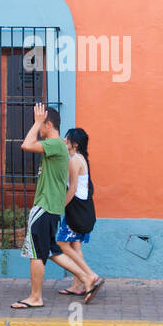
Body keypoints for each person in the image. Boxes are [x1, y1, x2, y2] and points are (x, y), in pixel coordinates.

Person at [11, 104, 94, 310]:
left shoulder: (56, 144)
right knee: (51, 251)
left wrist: (37, 121)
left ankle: (35, 297)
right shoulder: (56, 146)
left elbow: (26, 144)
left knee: (36, 253)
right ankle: (87, 277)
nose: (38, 129)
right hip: (51, 208)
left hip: (44, 206)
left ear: (48, 124)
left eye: (40, 124)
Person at [55, 127, 103, 303]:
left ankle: (89, 275)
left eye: (67, 140)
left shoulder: (74, 160)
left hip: (75, 210)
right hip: (83, 210)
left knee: (61, 243)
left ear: (75, 144)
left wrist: (60, 207)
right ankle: (77, 286)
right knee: (75, 245)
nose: (64, 141)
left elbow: (73, 188)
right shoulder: (82, 158)